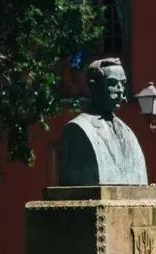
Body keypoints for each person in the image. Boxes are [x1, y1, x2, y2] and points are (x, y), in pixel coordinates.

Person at [59, 57, 148, 187]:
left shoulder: (127, 132)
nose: (120, 90)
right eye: (112, 83)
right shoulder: (77, 128)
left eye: (122, 83)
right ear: (93, 85)